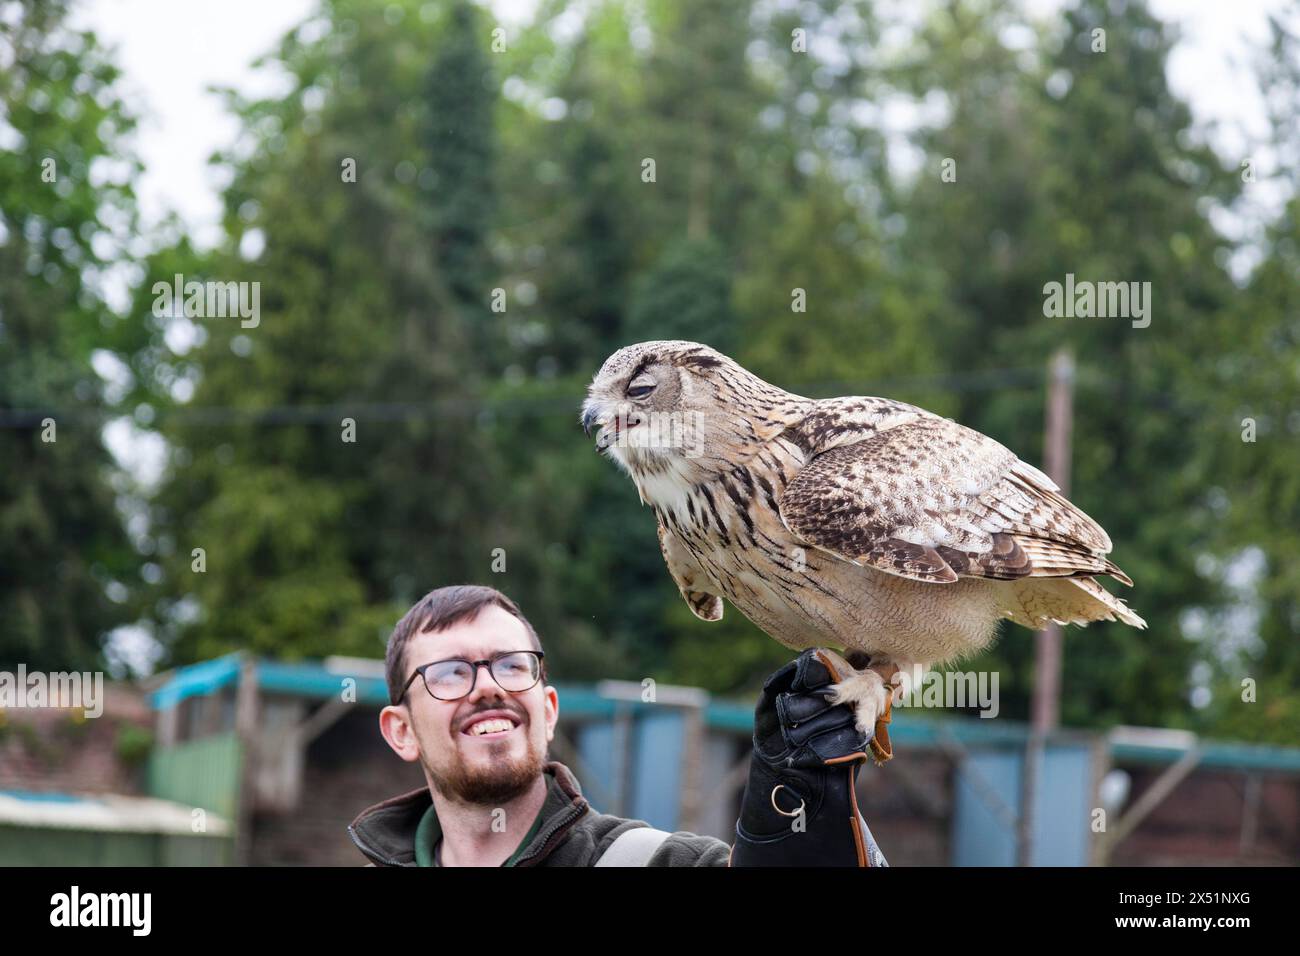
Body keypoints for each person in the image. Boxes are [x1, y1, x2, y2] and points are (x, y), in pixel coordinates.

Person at [348, 584, 888, 866]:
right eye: (450, 672)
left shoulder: (661, 864)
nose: (488, 686)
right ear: (401, 731)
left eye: (512, 665)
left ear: (549, 709)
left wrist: (806, 821)